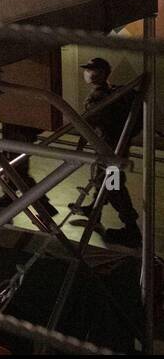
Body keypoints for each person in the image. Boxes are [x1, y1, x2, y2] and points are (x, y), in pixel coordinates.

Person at [70, 57, 141, 247]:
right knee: (102, 179)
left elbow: (89, 123)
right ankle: (95, 210)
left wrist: (79, 145)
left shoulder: (99, 97)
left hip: (109, 150)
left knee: (114, 186)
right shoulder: (117, 92)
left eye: (91, 69)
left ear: (102, 73)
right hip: (115, 147)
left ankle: (131, 228)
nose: (87, 73)